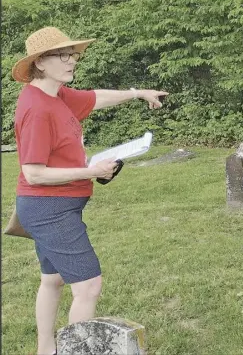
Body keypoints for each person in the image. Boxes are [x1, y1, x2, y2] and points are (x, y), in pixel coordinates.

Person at [11, 26, 169, 355]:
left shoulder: (57, 95)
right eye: (63, 55)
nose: (72, 61)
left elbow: (96, 98)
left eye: (74, 54)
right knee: (89, 287)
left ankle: (46, 350)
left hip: (50, 206)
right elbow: (34, 173)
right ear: (40, 62)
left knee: (52, 280)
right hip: (49, 209)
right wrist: (92, 171)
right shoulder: (37, 109)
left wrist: (138, 93)